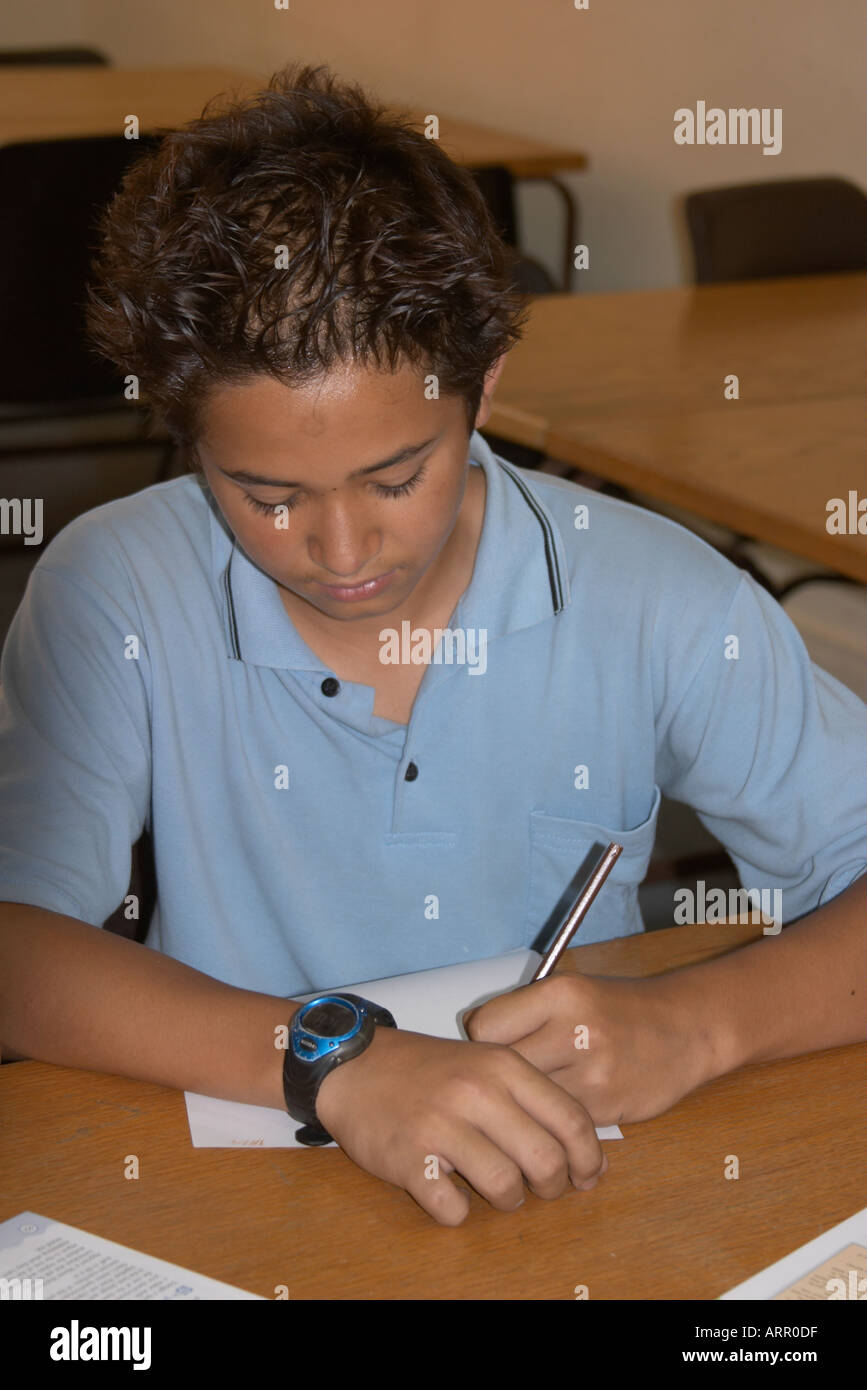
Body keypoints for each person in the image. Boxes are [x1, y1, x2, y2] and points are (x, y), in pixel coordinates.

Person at [1, 65, 865, 1228]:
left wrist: (698, 1024)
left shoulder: (654, 596)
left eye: (397, 477)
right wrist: (333, 1061)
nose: (341, 549)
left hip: (567, 1188)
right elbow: (18, 948)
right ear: (184, 431)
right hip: (234, 1189)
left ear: (484, 387)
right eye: (266, 495)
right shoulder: (118, 590)